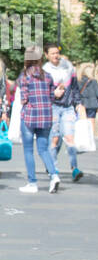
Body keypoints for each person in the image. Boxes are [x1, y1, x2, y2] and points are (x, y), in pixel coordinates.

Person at [17, 45, 60, 194]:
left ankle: (32, 183)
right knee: (43, 149)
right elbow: (52, 96)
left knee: (28, 150)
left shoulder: (24, 76)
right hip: (46, 116)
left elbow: (24, 99)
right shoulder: (47, 76)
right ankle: (54, 175)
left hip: (30, 116)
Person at [43, 43, 85, 183]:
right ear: (46, 55)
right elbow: (43, 92)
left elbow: (74, 87)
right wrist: (53, 93)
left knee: (69, 138)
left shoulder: (68, 67)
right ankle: (53, 170)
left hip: (67, 108)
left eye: (57, 52)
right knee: (54, 140)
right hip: (53, 107)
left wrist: (78, 103)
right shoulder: (45, 71)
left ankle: (75, 169)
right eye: (53, 53)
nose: (56, 55)